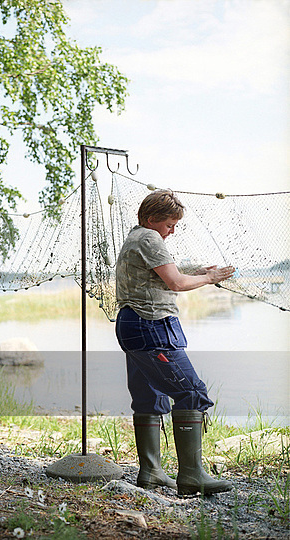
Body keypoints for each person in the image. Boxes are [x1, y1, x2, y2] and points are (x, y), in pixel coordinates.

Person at [114, 189, 234, 496]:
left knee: (148, 396)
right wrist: (209, 279)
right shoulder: (150, 238)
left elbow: (165, 275)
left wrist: (200, 272)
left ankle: (151, 471)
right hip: (152, 326)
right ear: (152, 219)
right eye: (170, 224)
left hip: (132, 324)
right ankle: (192, 476)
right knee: (192, 392)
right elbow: (176, 283)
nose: (172, 230)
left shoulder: (135, 238)